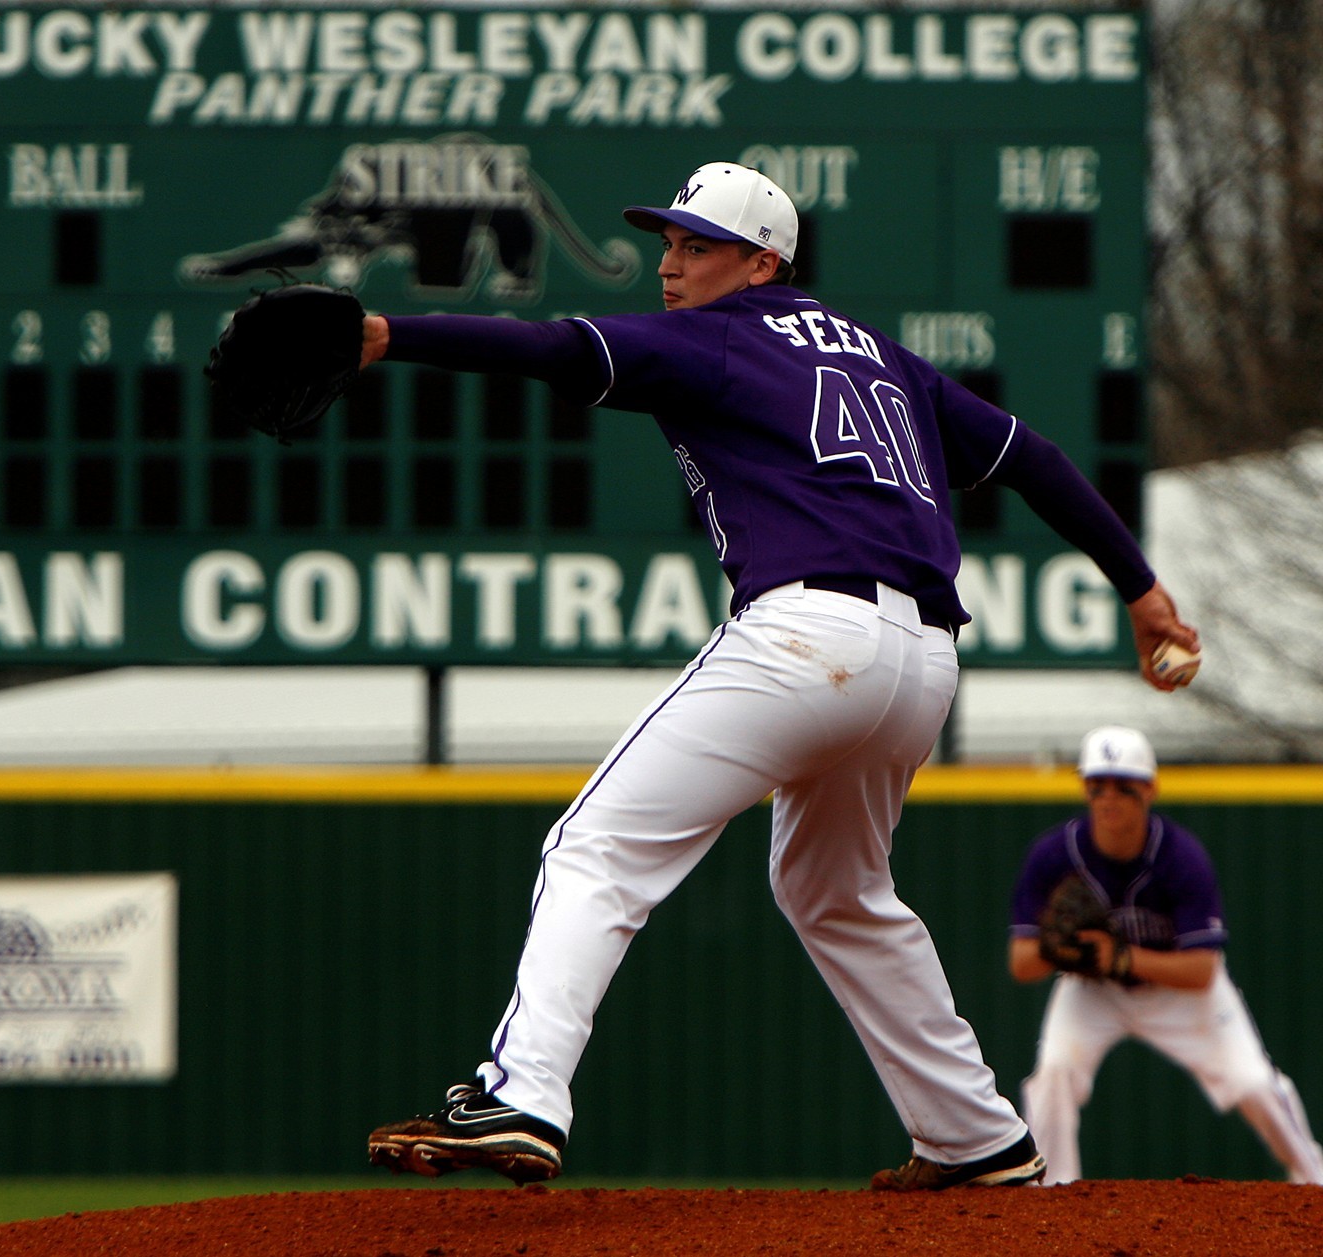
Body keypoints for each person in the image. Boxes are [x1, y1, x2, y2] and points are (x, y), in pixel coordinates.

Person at [361, 162, 1199, 1190]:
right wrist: (1141, 587)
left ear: (762, 261)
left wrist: (392, 334)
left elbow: (549, 349)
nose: (670, 266)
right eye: (668, 244)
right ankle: (976, 1136)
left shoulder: (721, 333)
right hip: (924, 664)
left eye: (696, 247)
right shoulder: (886, 358)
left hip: (808, 636)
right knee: (835, 889)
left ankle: (522, 1091)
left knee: (596, 847)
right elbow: (1032, 457)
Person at [1010, 725, 1323, 1185]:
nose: (1108, 797)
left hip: (1182, 994)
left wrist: (1120, 958)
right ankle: (1049, 1200)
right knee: (1054, 1073)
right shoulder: (1055, 855)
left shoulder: (1180, 858)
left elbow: (1201, 970)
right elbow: (1022, 965)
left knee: (1254, 1084)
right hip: (1095, 991)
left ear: (1150, 789)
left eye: (1123, 786)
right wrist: (1063, 950)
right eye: (1097, 785)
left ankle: (1314, 1180)